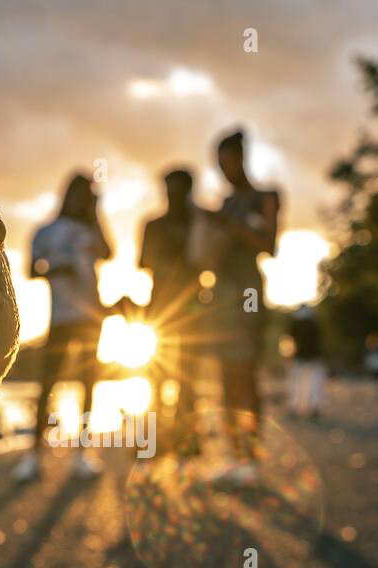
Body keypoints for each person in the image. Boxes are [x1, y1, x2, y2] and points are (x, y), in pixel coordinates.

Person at [14, 174, 113, 482]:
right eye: (81, 195)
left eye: (89, 197)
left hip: (90, 318)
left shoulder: (90, 230)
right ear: (68, 194)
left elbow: (110, 253)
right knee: (48, 383)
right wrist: (56, 268)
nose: (83, 201)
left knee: (88, 384)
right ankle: (33, 456)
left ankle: (82, 454)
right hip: (59, 317)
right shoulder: (46, 232)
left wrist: (97, 213)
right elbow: (31, 269)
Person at [197, 129, 280, 481]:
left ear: (241, 158)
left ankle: (252, 458)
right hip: (221, 296)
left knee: (245, 373)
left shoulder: (266, 196)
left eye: (226, 161)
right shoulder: (225, 204)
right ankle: (235, 455)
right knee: (226, 377)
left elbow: (269, 244)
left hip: (247, 293)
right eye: (218, 164)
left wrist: (228, 226)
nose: (223, 169)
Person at [139, 168, 202, 445]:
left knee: (186, 375)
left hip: (189, 306)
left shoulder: (198, 223)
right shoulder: (155, 224)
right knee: (157, 375)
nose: (172, 196)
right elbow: (143, 261)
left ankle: (184, 438)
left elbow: (206, 260)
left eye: (178, 191)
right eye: (170, 190)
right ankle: (155, 438)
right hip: (164, 307)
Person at [285, 303, 327, 420]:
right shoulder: (314, 322)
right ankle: (314, 407)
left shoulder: (295, 323)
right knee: (314, 382)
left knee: (297, 382)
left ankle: (295, 406)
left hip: (299, 356)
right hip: (314, 356)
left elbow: (290, 340)